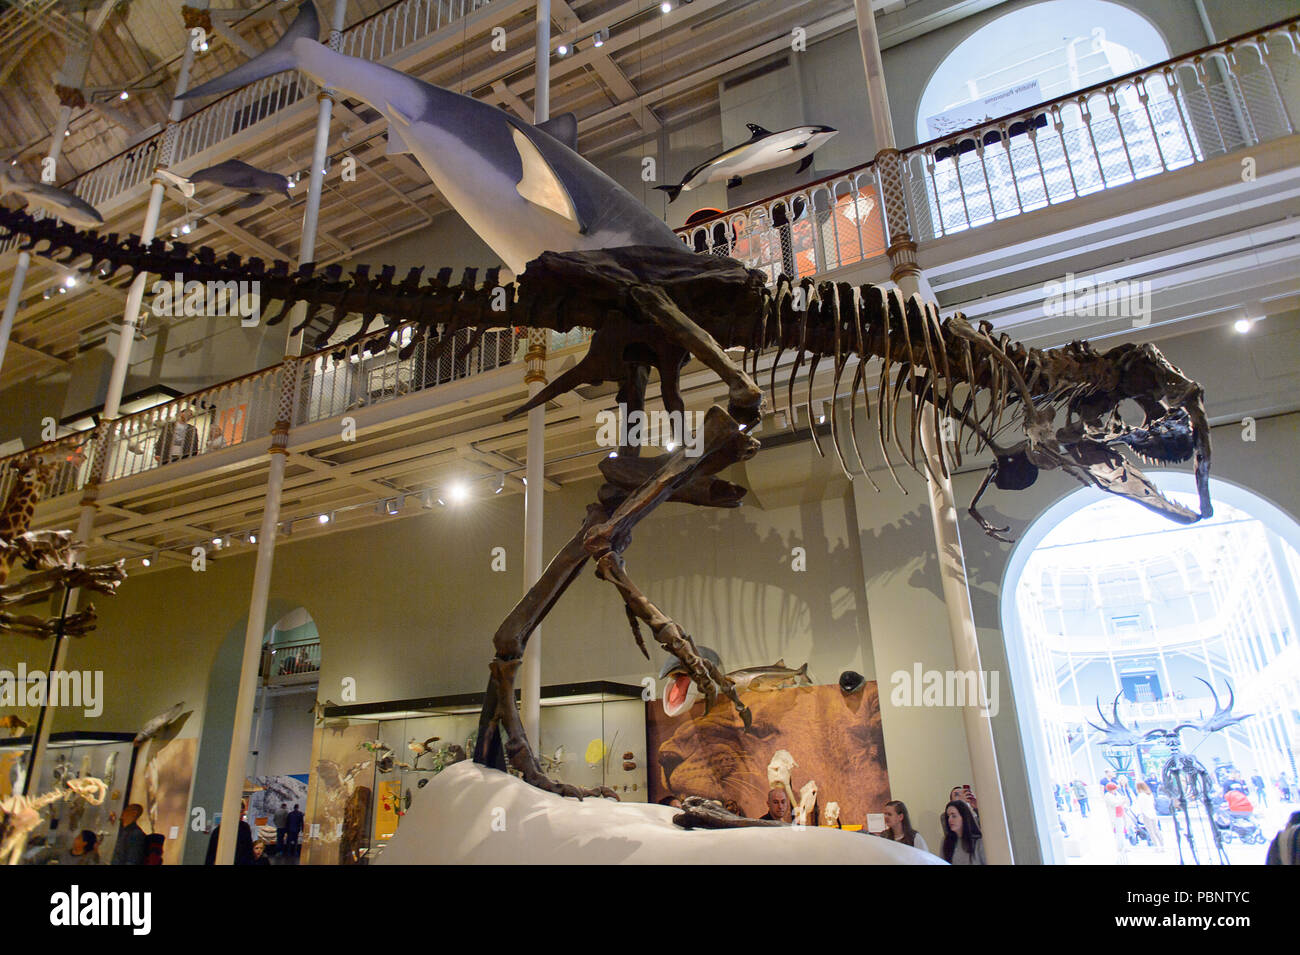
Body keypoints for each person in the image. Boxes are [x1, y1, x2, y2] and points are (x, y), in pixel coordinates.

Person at [940, 800, 985, 864]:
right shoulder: (946, 841)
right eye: (948, 816)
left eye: (954, 816)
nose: (950, 820)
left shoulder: (979, 841)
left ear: (964, 817)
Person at [1132, 782, 1163, 849]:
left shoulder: (1141, 796)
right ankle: (1162, 845)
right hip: (1153, 813)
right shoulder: (1149, 794)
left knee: (1151, 831)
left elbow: (1140, 806)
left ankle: (1156, 846)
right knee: (1156, 830)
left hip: (1146, 814)